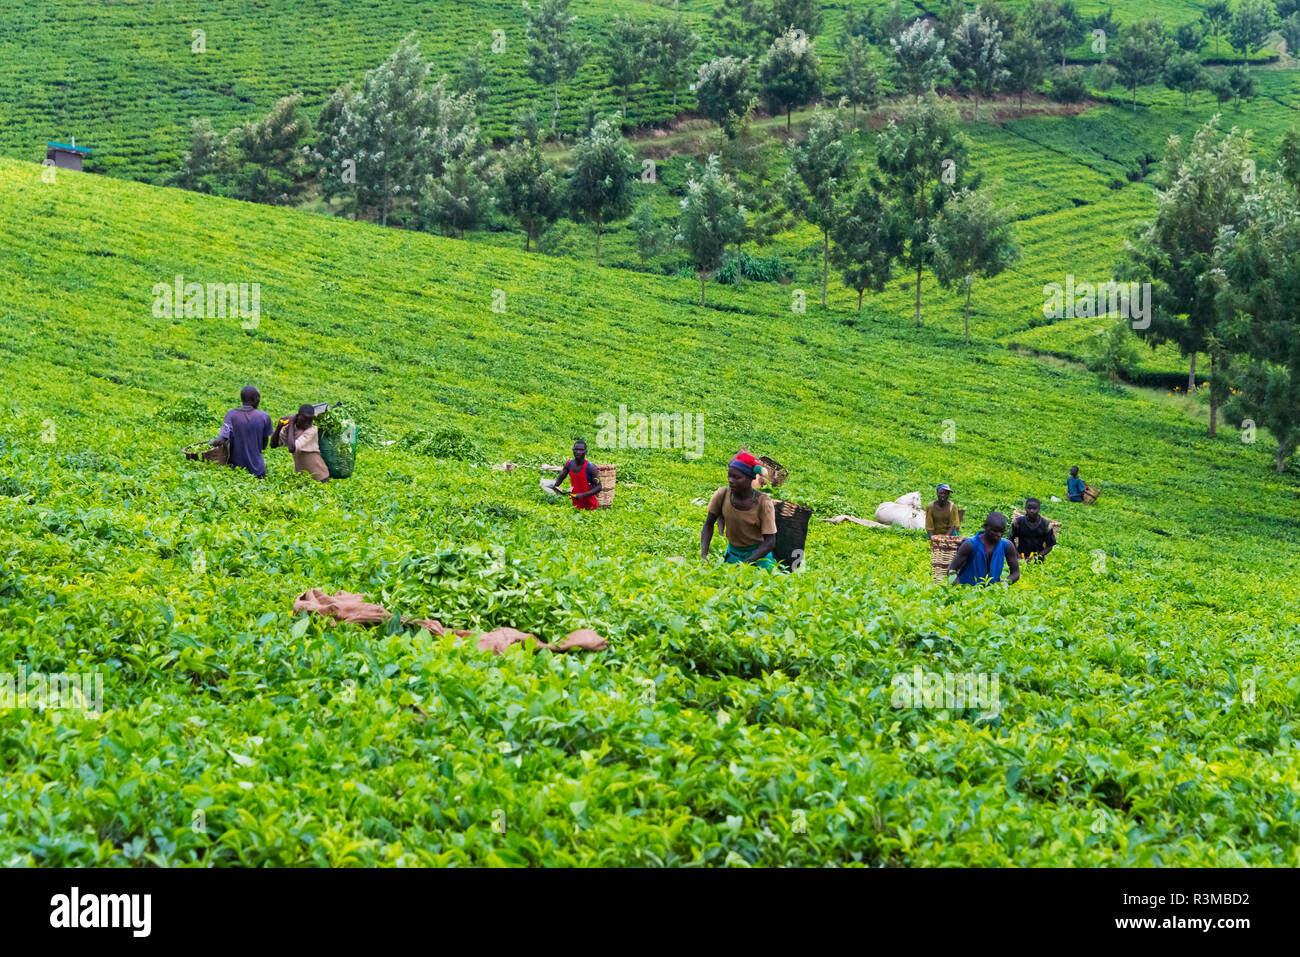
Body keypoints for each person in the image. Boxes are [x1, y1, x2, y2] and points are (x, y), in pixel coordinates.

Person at [701, 452, 777, 568]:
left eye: (737, 477)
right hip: (733, 554)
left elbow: (770, 541)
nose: (731, 480)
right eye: (730, 476)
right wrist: (704, 555)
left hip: (759, 557)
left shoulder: (764, 502)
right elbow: (708, 524)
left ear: (749, 479)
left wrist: (746, 563)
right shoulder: (722, 495)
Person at [213, 385, 273, 478]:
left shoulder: (231, 415)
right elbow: (264, 446)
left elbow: (222, 439)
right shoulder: (264, 417)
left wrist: (208, 445)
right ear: (255, 400)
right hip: (258, 470)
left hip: (236, 470)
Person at [946, 512, 1021, 586]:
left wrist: (1003, 584)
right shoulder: (970, 545)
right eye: (995, 531)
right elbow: (951, 570)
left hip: (991, 595)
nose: (999, 535)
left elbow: (1015, 573)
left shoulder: (1007, 546)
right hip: (968, 594)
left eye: (1002, 532)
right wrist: (960, 589)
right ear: (986, 527)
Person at [550, 440, 602, 509]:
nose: (578, 452)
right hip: (575, 505)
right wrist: (553, 487)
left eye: (581, 450)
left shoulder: (590, 467)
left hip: (590, 506)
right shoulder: (569, 464)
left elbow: (599, 487)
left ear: (586, 451)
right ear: (573, 450)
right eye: (576, 449)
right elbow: (560, 478)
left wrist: (582, 495)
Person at [283, 404, 330, 482]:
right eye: (304, 420)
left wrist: (291, 423)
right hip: (302, 477)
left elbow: (292, 448)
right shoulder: (294, 429)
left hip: (319, 477)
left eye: (310, 420)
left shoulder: (312, 430)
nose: (307, 423)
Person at [1010, 498, 1056, 562]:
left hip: (1037, 559)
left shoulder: (1045, 525)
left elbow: (1049, 546)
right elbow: (1010, 539)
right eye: (1029, 508)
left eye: (1034, 509)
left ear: (1039, 509)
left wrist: (1037, 557)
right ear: (1025, 509)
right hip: (1020, 557)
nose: (1031, 511)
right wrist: (1017, 554)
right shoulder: (1018, 522)